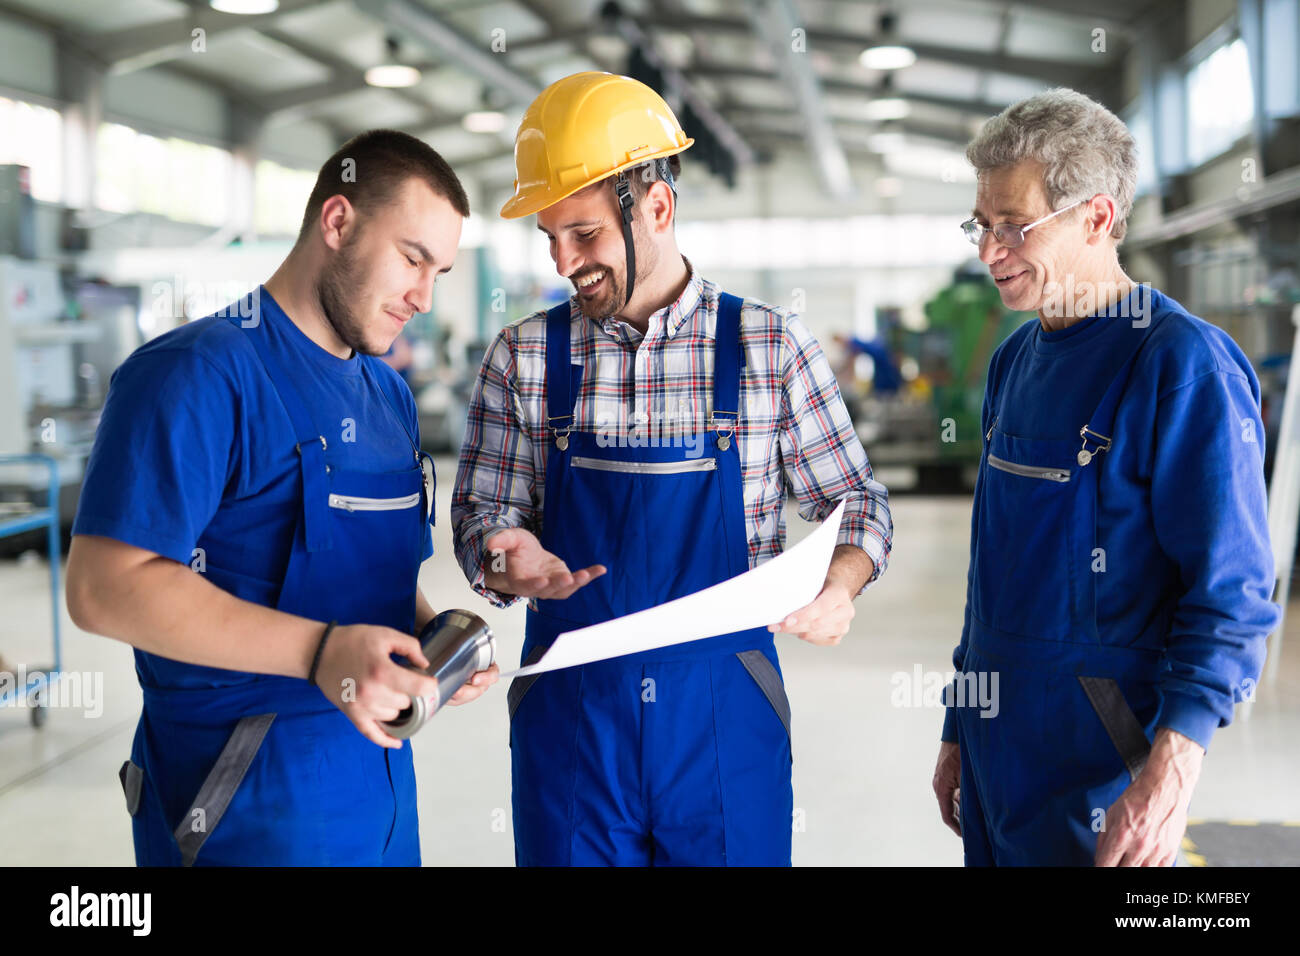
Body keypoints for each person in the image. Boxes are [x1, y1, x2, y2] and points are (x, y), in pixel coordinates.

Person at [451, 72, 892, 866]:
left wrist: (842, 583)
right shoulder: (521, 355)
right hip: (572, 720)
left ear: (655, 206)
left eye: (582, 233)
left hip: (724, 716)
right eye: (549, 237)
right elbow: (483, 512)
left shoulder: (770, 349)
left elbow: (857, 501)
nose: (563, 260)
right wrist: (501, 556)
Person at [66, 129, 498, 867]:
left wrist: (430, 641)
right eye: (412, 258)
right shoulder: (195, 375)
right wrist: (321, 651)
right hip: (241, 810)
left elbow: (380, 578)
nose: (425, 296)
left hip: (381, 798)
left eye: (441, 270)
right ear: (337, 223)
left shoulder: (388, 395)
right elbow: (102, 589)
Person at [931, 89, 1279, 866]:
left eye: (1013, 227)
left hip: (1103, 773)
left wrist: (1170, 773)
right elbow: (992, 575)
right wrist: (961, 720)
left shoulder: (1181, 366)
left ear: (1095, 218)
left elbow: (1232, 593)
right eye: (981, 226)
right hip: (995, 761)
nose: (988, 252)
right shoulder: (1013, 363)